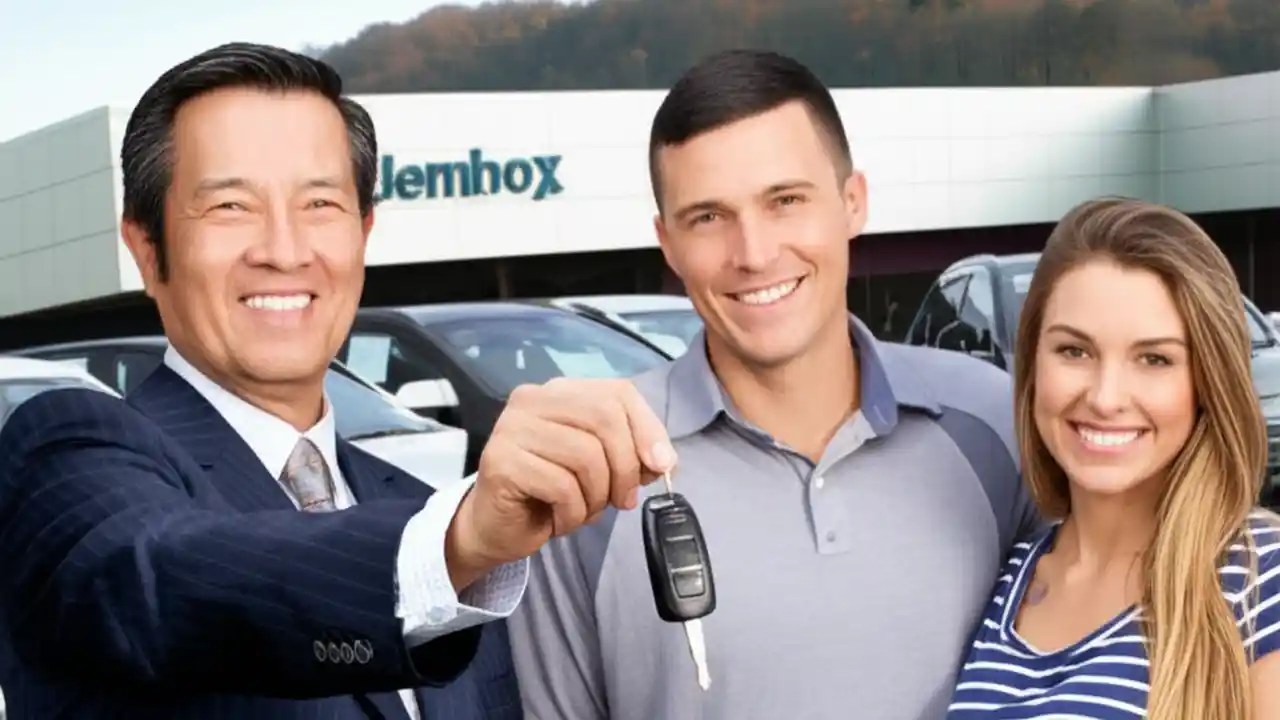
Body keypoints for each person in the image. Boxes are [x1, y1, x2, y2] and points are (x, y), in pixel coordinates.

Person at [0, 43, 674, 720]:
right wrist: (454, 543)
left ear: (364, 231)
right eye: (231, 207)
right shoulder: (68, 463)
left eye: (320, 203)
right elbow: (166, 577)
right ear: (147, 250)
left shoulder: (417, 505)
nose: (284, 251)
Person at [505, 48, 1041, 719]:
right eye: (708, 217)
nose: (754, 253)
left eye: (785, 201)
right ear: (666, 243)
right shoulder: (592, 469)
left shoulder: (991, 423)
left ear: (853, 203)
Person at [946, 197, 1280, 719]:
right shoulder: (1007, 579)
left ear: (1207, 384)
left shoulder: (1259, 579)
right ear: (1034, 364)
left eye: (1154, 359)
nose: (1105, 397)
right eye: (1074, 351)